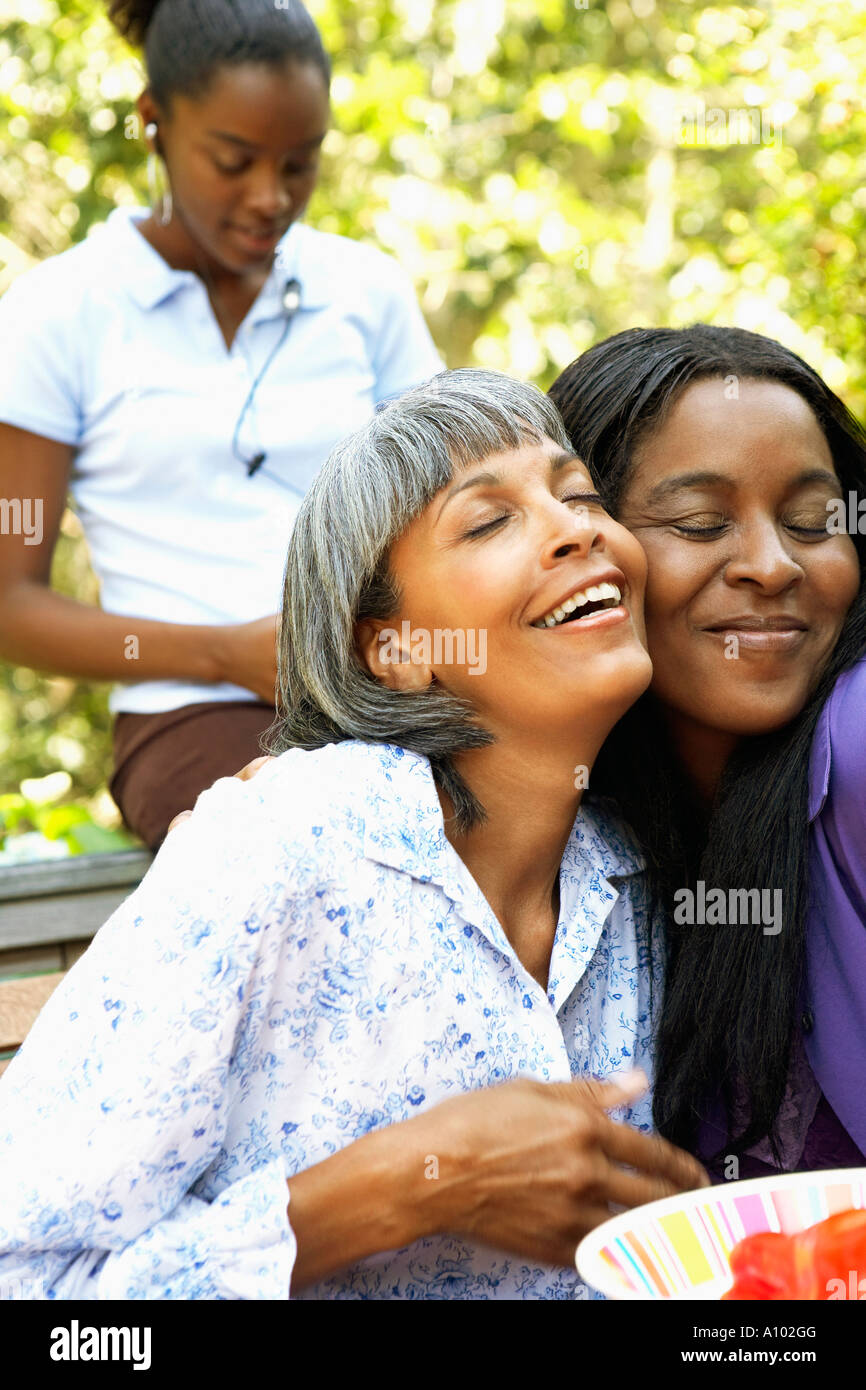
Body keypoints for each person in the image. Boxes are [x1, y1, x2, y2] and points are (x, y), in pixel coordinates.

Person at [0, 370, 706, 1301]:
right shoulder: (278, 847)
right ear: (396, 650)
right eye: (489, 521)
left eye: (579, 496)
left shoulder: (634, 879)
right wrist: (416, 1180)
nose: (580, 529)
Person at [0, 0, 442, 850]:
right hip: (193, 713)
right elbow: (11, 604)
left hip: (389, 687)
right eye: (233, 161)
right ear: (154, 123)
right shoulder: (59, 314)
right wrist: (224, 655)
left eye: (299, 164)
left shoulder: (364, 294)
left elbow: (454, 498)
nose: (270, 198)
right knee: (303, 853)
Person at [549, 325, 866, 1179]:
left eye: (811, 522)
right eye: (699, 523)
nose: (771, 565)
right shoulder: (577, 814)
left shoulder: (858, 739)